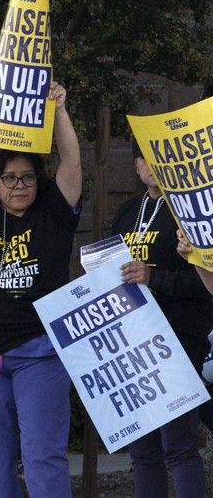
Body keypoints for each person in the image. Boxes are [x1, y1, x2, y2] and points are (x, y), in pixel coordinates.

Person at [0, 77, 81, 498]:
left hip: (40, 356)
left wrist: (59, 111)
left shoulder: (54, 214)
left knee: (43, 459)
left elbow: (71, 163)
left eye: (27, 177)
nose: (20, 185)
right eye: (9, 178)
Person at [112, 143, 211, 498]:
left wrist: (155, 278)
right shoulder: (126, 212)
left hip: (178, 340)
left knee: (179, 445)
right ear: (135, 164)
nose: (148, 164)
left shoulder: (192, 213)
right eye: (141, 156)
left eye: (156, 157)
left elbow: (204, 285)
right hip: (131, 343)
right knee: (142, 450)